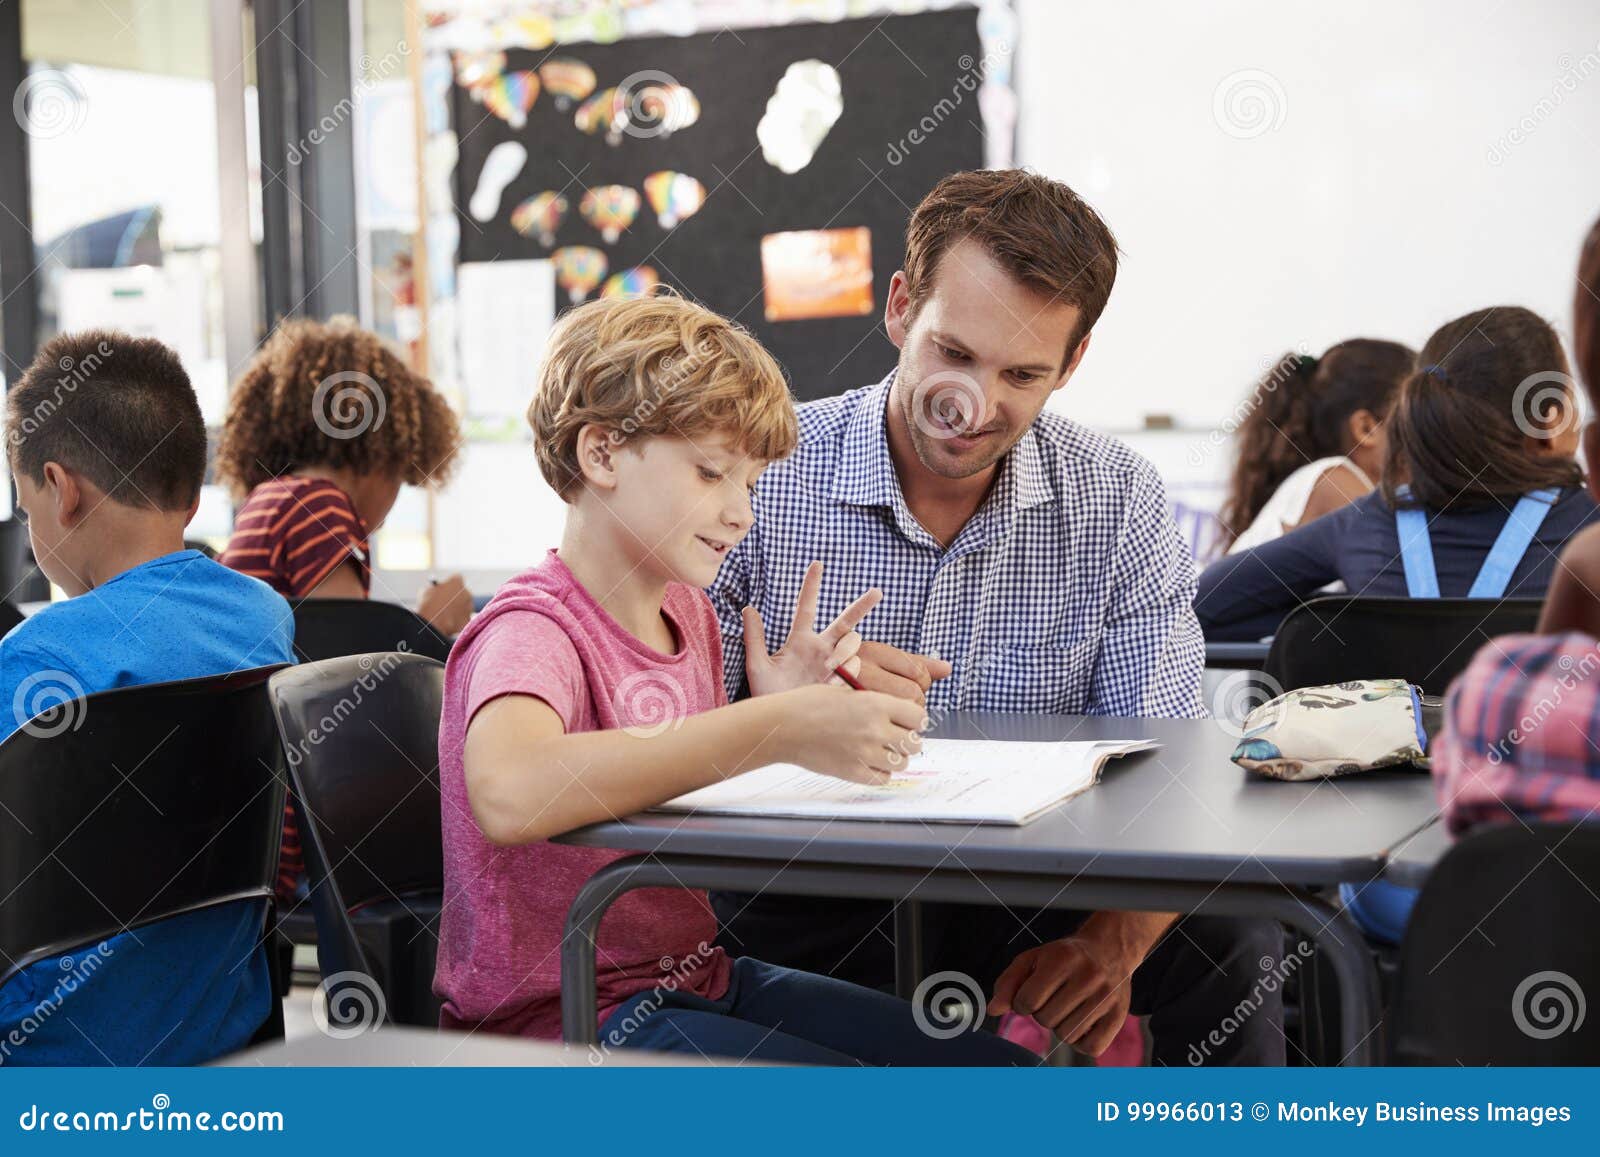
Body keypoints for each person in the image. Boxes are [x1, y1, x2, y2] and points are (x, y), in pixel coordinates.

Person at [707, 168, 1284, 1064]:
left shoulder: (1117, 499)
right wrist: (773, 706)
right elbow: (635, 715)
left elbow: (1175, 765)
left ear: (1075, 362)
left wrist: (1112, 944)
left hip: (1027, 891)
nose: (973, 403)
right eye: (955, 354)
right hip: (804, 885)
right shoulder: (760, 466)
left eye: (1022, 373)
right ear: (900, 308)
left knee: (1233, 937)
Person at [433, 294, 1037, 1065]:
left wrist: (775, 704)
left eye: (750, 483)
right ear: (603, 454)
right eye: (713, 472)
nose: (742, 512)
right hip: (563, 1024)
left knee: (1003, 1073)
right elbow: (510, 789)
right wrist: (774, 727)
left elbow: (685, 763)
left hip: (697, 981)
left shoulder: (689, 613)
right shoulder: (534, 628)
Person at [0, 331, 294, 1065]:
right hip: (221, 1039)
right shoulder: (262, 618)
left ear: (62, 491)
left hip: (49, 1059)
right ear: (192, 495)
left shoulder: (38, 660)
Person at [1354, 219, 1600, 943]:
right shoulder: (1577, 530)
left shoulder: (1360, 524)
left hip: (1446, 901)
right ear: (1553, 420)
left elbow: (1213, 602)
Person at [214, 316, 473, 900]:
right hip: (302, 824)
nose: (389, 504)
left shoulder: (269, 499)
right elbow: (343, 676)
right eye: (401, 478)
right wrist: (434, 629)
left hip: (253, 813)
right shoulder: (321, 506)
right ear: (377, 453)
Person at [1197, 306, 1598, 643]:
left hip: (1388, 739)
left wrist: (1327, 625)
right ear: (1548, 421)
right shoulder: (1590, 531)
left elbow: (1198, 610)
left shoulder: (1363, 525)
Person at [1219, 340, 1415, 554]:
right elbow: (1409, 567)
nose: (1431, 432)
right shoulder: (1333, 481)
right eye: (1418, 418)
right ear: (1366, 428)